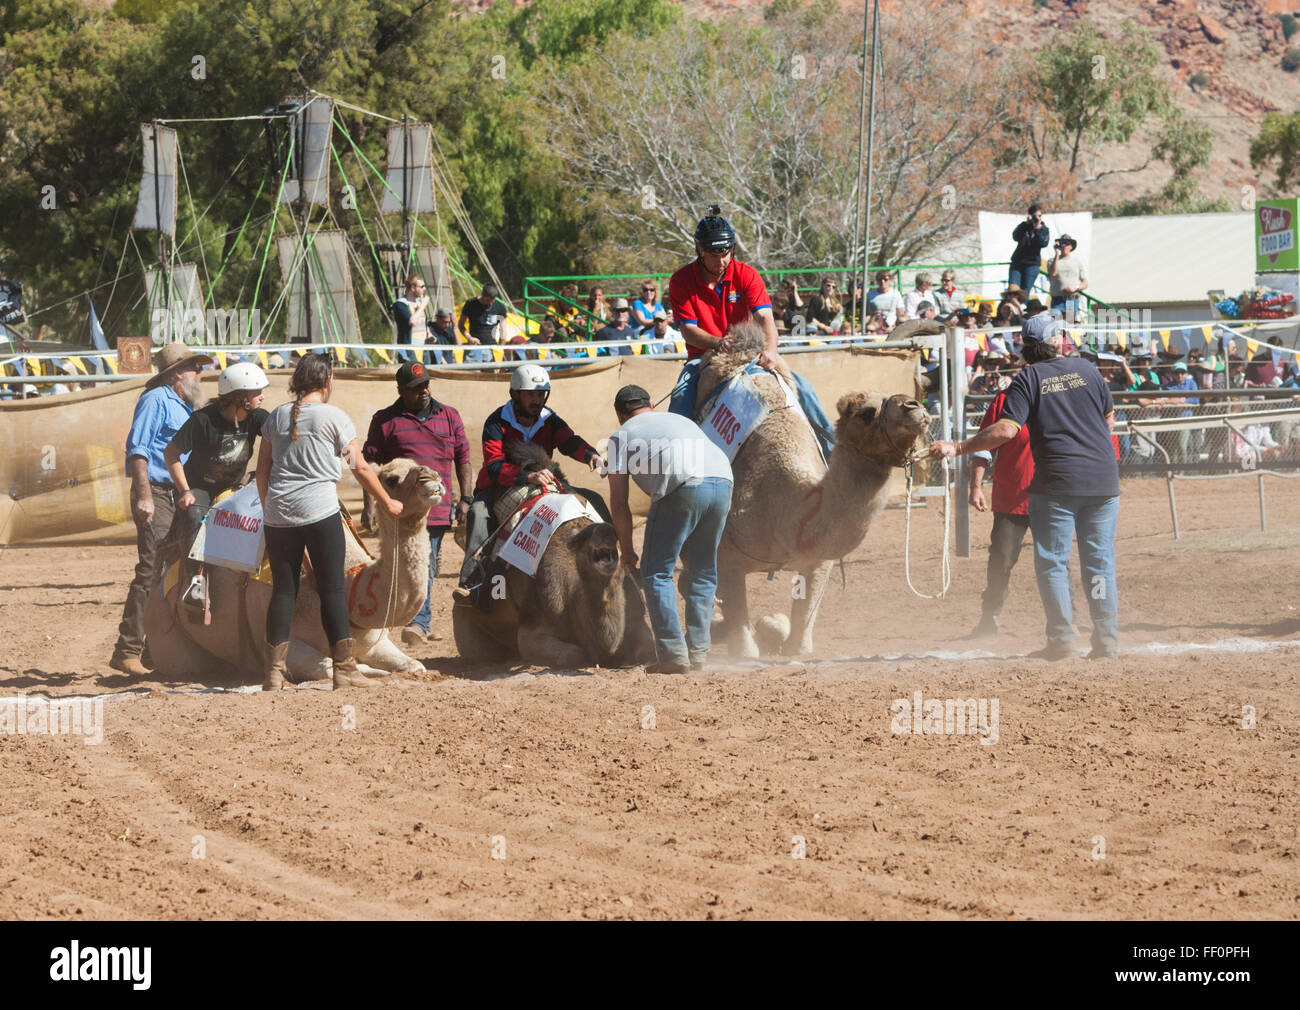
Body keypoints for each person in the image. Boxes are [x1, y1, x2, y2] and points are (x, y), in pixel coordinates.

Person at [929, 314, 1120, 661]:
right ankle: (1106, 641)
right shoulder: (1089, 370)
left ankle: (1062, 639)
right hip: (1103, 481)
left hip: (1058, 482)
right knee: (1099, 562)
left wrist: (956, 447)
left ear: (1028, 347)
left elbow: (1005, 431)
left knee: (1052, 562)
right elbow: (1109, 421)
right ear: (1057, 341)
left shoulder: (1029, 378)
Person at [255, 353, 405, 691]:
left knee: (283, 591)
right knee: (332, 589)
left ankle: (273, 675)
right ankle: (344, 670)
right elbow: (361, 467)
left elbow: (262, 472)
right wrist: (387, 500)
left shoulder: (276, 417)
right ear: (327, 381)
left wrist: (270, 510)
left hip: (279, 516)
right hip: (320, 513)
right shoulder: (334, 417)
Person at [666, 206, 835, 458]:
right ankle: (675, 463)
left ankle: (832, 451)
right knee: (680, 400)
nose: (721, 260)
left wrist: (771, 350)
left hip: (747, 352)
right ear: (700, 251)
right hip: (702, 357)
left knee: (805, 388)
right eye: (713, 254)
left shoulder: (746, 274)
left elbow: (765, 316)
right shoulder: (681, 280)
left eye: (726, 252)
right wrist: (716, 342)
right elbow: (688, 330)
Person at [605, 384, 733, 673]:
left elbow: (619, 504)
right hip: (723, 479)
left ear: (619, 414)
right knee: (702, 570)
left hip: (682, 483)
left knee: (656, 572)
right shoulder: (680, 420)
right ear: (650, 405)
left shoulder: (619, 437)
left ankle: (673, 654)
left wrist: (627, 551)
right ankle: (698, 652)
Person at [109, 342, 214, 675]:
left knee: (174, 568)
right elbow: (138, 451)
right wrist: (144, 496)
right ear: (175, 374)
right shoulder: (155, 400)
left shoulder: (184, 406)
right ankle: (127, 649)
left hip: (176, 494)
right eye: (194, 367)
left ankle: (156, 650)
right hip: (155, 491)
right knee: (152, 567)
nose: (199, 373)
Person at [457, 363, 607, 592]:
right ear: (515, 394)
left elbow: (569, 441)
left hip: (546, 481)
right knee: (478, 513)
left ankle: (616, 562)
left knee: (594, 499)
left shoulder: (549, 418)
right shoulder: (496, 422)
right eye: (531, 394)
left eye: (541, 394)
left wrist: (590, 455)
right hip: (499, 486)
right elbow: (495, 467)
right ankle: (472, 583)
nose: (537, 400)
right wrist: (527, 476)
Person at [364, 361, 473, 646]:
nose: (423, 391)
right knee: (403, 564)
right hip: (401, 510)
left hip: (437, 507)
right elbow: (369, 464)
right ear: (400, 390)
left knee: (429, 564)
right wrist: (370, 504)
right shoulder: (385, 420)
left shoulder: (449, 416)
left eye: (425, 384)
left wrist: (466, 498)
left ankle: (417, 618)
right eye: (415, 388)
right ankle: (416, 621)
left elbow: (463, 459)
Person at [161, 362, 270, 610]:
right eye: (256, 392)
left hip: (233, 486)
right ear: (239, 397)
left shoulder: (258, 418)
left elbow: (282, 432)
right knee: (195, 516)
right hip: (199, 486)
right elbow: (171, 454)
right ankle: (195, 585)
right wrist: (185, 491)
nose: (262, 396)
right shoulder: (202, 421)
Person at [968, 369, 1033, 638]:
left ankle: (1065, 621)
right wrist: (976, 486)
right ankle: (990, 616)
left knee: (1056, 561)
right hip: (1012, 496)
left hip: (1053, 496)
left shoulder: (1057, 398)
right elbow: (984, 446)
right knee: (1001, 559)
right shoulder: (1004, 400)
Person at [1009, 204, 1049, 294]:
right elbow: (1015, 237)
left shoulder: (1044, 229)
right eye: (1035, 216)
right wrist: (1026, 224)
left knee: (1024, 292)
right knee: (1013, 290)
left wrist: (1037, 228)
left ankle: (1022, 307)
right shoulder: (1024, 226)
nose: (1037, 218)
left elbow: (1043, 243)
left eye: (1039, 216)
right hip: (1017, 263)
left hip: (1032, 264)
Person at [392, 274, 430, 365]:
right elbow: (412, 321)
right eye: (422, 286)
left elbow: (423, 322)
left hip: (423, 349)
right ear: (413, 288)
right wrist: (422, 307)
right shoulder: (400, 304)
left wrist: (429, 334)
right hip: (409, 350)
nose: (424, 289)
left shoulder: (419, 303)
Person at [458, 283, 508, 351]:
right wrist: (469, 337)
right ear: (482, 295)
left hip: (491, 348)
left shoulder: (500, 307)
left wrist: (501, 348)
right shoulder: (470, 304)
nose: (490, 303)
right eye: (488, 300)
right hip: (474, 347)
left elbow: (503, 330)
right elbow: (460, 324)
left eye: (492, 301)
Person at [1047, 234, 1087, 319]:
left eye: (1067, 243)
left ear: (1071, 247)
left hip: (1072, 298)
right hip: (1057, 299)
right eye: (1062, 243)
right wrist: (1057, 253)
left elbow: (1085, 282)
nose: (1064, 246)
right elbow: (1053, 273)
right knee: (1056, 324)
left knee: (1070, 324)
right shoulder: (1052, 261)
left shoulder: (1077, 262)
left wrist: (1076, 287)